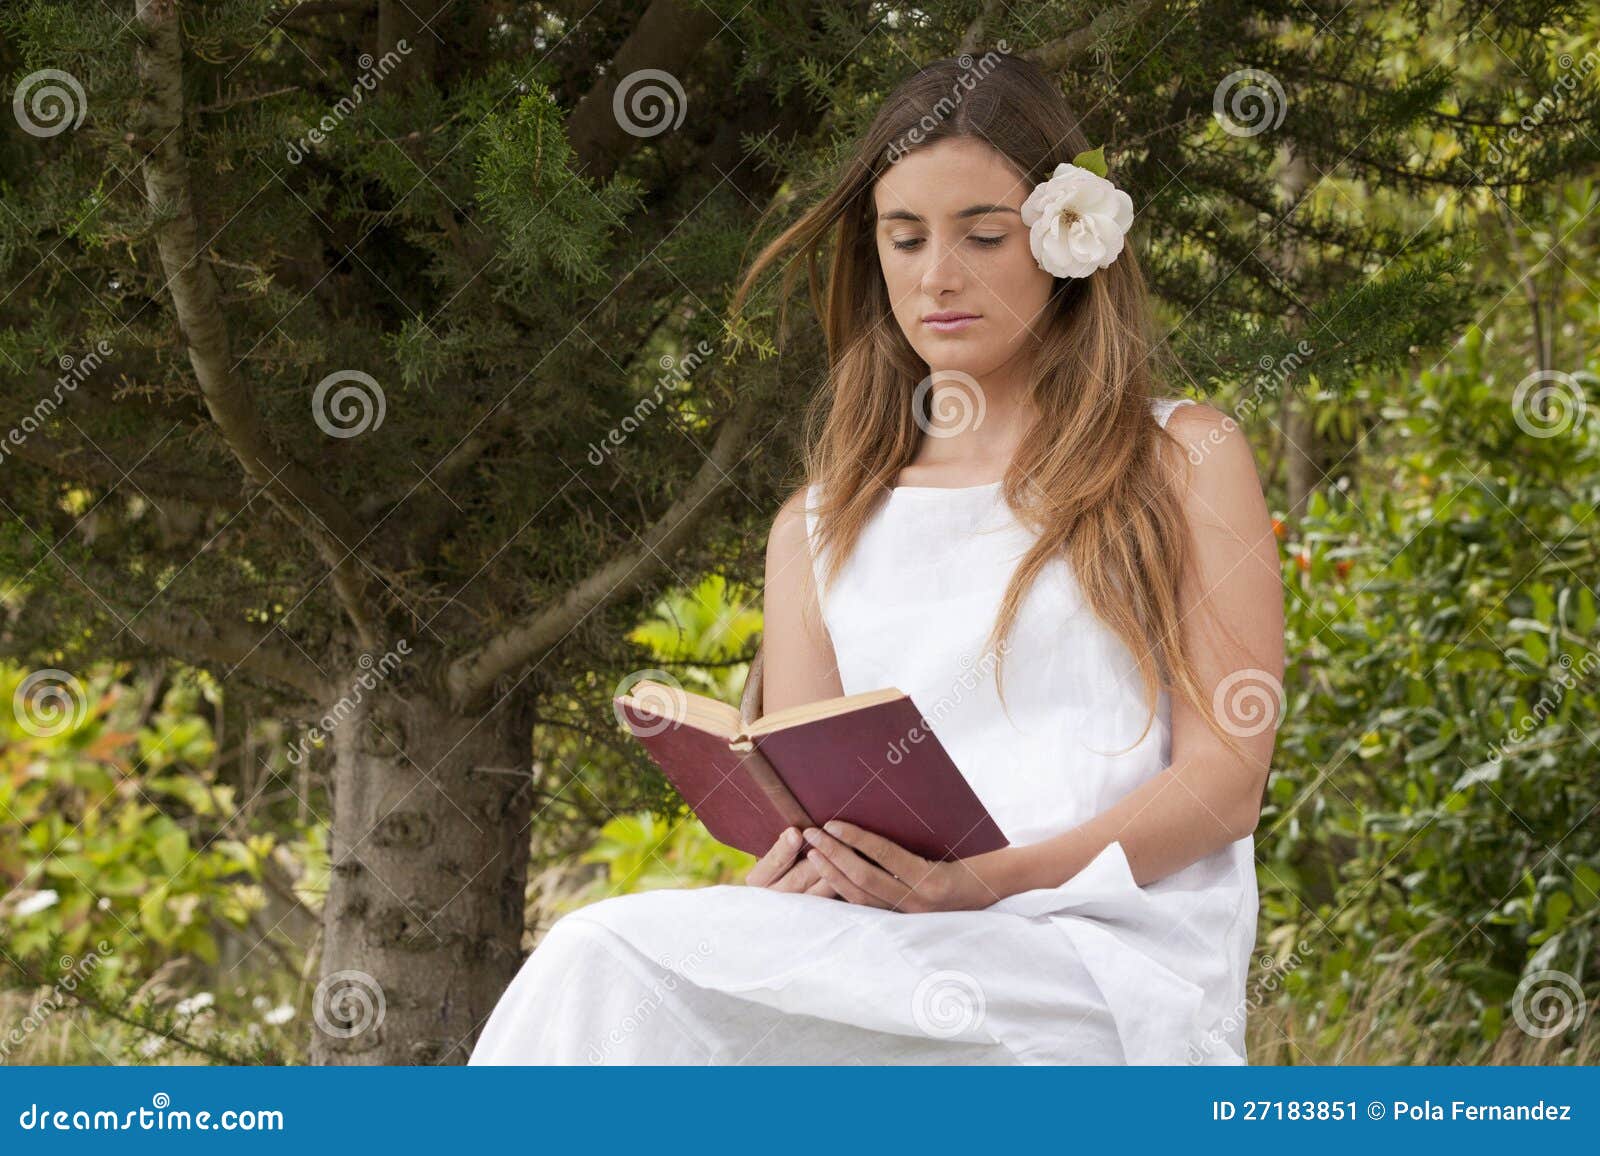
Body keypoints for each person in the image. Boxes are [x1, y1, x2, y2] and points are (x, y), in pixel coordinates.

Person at [469, 53, 1284, 1065]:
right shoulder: (819, 525)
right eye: (905, 238)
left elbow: (1225, 782)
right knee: (609, 965)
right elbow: (817, 801)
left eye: (982, 235)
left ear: (1062, 242)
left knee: (609, 957)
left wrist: (980, 884)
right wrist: (803, 871)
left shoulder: (1180, 456)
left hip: (1096, 964)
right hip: (896, 943)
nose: (937, 275)